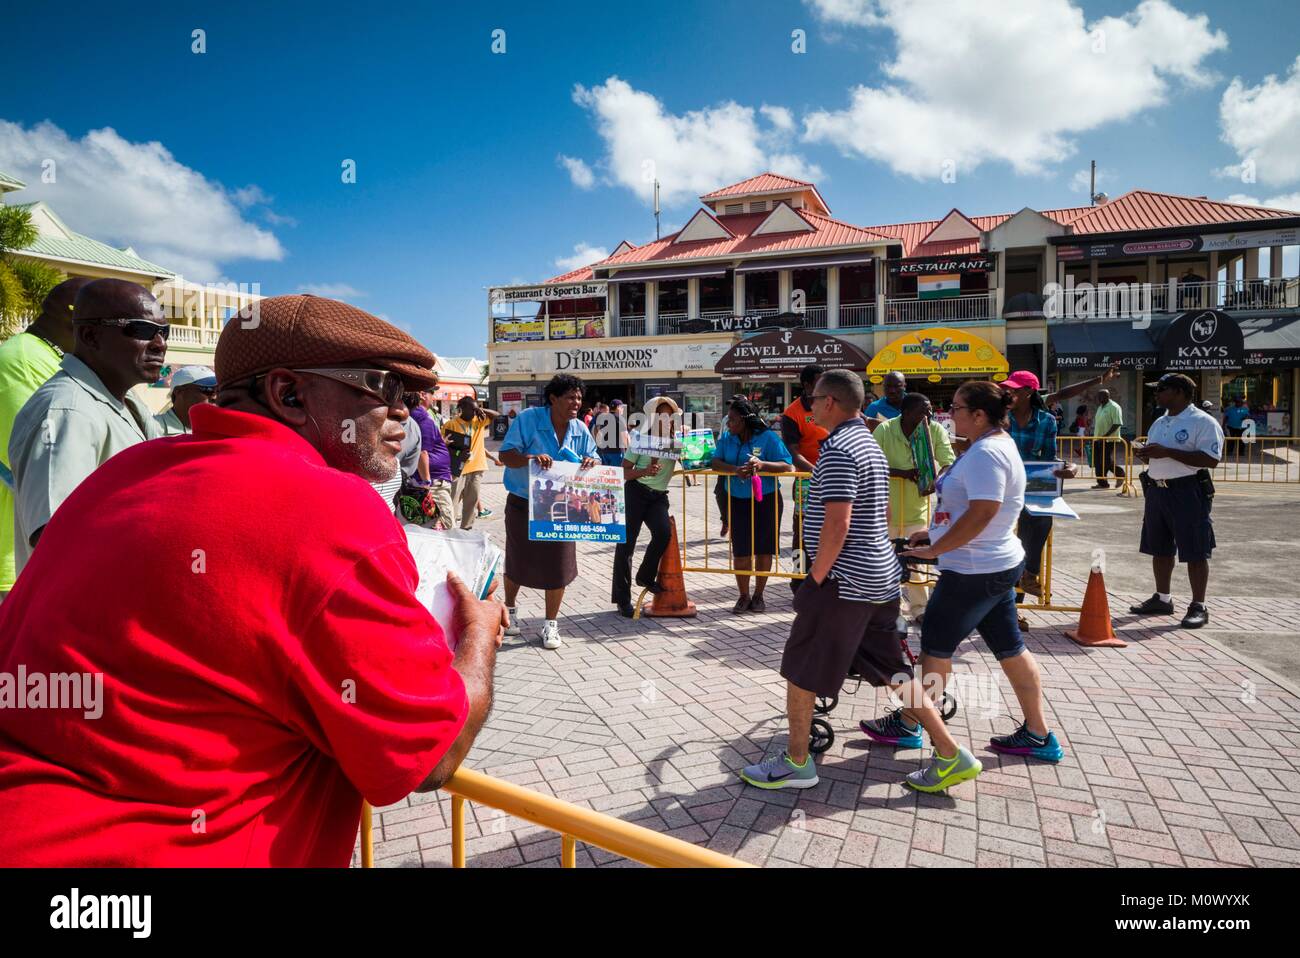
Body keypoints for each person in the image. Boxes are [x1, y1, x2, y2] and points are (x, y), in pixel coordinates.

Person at [0, 293, 504, 866]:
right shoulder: (329, 509)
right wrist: (479, 637)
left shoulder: (125, 472)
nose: (407, 414)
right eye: (385, 389)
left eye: (414, 398)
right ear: (288, 393)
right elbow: (427, 755)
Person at [743, 370, 963, 791]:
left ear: (830, 403)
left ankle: (796, 762)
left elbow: (838, 522)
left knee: (801, 668)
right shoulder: (868, 441)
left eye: (813, 398)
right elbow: (869, 515)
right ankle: (951, 753)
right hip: (877, 577)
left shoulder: (841, 448)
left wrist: (816, 579)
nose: (808, 406)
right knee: (894, 669)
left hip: (845, 581)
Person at [863, 381, 1065, 768]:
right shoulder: (989, 445)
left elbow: (983, 512)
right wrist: (934, 533)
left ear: (978, 415)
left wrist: (938, 547)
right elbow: (971, 511)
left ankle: (912, 723)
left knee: (936, 651)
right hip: (991, 564)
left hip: (974, 569)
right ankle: (1038, 733)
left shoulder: (988, 452)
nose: (947, 413)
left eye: (955, 407)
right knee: (1010, 648)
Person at [8, 279, 166, 577]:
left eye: (163, 331)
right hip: (80, 617)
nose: (160, 344)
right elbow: (56, 541)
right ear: (91, 335)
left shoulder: (122, 402)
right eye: (142, 330)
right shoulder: (67, 411)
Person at [0, 277, 91, 600]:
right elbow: (42, 463)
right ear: (76, 318)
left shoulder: (47, 357)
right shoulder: (24, 360)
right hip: (13, 560)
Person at [497, 373, 598, 650]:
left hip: (564, 507)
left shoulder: (580, 428)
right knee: (517, 560)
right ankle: (510, 613)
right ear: (553, 399)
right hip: (522, 502)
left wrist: (592, 460)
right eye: (570, 397)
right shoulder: (528, 419)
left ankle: (551, 625)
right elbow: (506, 455)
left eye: (579, 397)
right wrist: (530, 458)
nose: (576, 402)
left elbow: (595, 458)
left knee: (559, 564)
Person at [1130, 373, 1223, 629]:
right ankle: (1162, 598)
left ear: (1180, 392)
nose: (1156, 393)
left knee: (1195, 548)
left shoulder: (1202, 422)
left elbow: (1211, 459)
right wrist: (1146, 456)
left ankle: (1198, 605)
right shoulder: (1160, 422)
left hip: (1187, 491)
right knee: (1159, 547)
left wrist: (1167, 452)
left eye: (1162, 389)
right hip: (1157, 490)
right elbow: (1158, 456)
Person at [871, 392, 955, 620]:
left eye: (929, 410)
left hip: (918, 508)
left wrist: (939, 478)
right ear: (906, 413)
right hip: (885, 509)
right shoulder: (885, 430)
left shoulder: (935, 430)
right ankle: (891, 609)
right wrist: (901, 473)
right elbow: (872, 464)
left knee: (917, 561)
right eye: (923, 411)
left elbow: (948, 461)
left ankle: (920, 609)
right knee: (887, 561)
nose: (929, 415)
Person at [1001, 370, 1077, 616]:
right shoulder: (1000, 418)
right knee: (1005, 546)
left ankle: (1025, 584)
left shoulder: (1047, 421)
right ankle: (1022, 585)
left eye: (1014, 389)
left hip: (1032, 486)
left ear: (1029, 392)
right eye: (1007, 389)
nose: (1008, 393)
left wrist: (1069, 467)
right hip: (1001, 486)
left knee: (1041, 521)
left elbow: (1049, 458)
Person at [710, 397, 793, 614]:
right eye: (728, 420)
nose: (729, 424)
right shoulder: (727, 438)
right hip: (737, 500)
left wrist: (762, 464)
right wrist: (734, 469)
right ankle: (743, 595)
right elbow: (715, 462)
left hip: (765, 500)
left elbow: (788, 466)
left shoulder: (767, 438)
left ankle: (759, 595)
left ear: (745, 420)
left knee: (764, 550)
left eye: (733, 420)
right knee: (741, 551)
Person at [612, 396, 679, 617]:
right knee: (626, 544)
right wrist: (644, 471)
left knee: (663, 533)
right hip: (636, 493)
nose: (667, 419)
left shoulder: (676, 442)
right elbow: (623, 471)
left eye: (670, 415)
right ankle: (623, 600)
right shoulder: (640, 439)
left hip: (658, 497)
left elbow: (696, 460)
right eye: (662, 415)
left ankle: (645, 577)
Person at [780, 364, 828, 590]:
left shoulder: (831, 404)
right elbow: (794, 453)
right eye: (820, 381)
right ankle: (798, 578)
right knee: (801, 534)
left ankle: (826, 578)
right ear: (807, 385)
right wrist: (816, 472)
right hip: (807, 480)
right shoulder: (792, 413)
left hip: (834, 478)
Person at [443, 395, 499, 530]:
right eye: (471, 409)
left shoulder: (479, 420)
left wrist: (481, 409)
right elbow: (444, 446)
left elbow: (496, 415)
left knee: (471, 502)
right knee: (453, 501)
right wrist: (458, 453)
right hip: (458, 469)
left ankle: (466, 529)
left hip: (477, 468)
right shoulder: (451, 424)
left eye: (475, 409)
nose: (474, 412)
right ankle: (450, 529)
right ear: (462, 409)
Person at [407, 388, 456, 527]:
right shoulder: (422, 419)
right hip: (434, 484)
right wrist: (426, 483)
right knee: (447, 527)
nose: (433, 397)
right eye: (431, 393)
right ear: (422, 395)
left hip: (432, 480)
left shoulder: (417, 416)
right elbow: (421, 452)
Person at [155, 364, 217, 435]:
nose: (214, 397)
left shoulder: (216, 431)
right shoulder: (154, 429)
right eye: (208, 389)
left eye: (218, 390)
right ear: (178, 392)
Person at [1091, 388, 1125, 489]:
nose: (1099, 398)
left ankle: (1120, 473)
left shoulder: (1114, 407)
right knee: (1097, 461)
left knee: (1105, 460)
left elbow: (1117, 424)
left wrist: (1105, 436)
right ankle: (1102, 483)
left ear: (1107, 396)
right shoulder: (1100, 407)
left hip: (1109, 439)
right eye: (1098, 396)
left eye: (1101, 396)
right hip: (1097, 438)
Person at [594, 399, 628, 467]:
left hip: (604, 452)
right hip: (617, 452)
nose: (623, 410)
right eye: (622, 408)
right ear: (618, 407)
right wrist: (628, 451)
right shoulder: (620, 419)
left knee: (606, 475)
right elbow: (625, 437)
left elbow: (597, 432)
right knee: (616, 474)